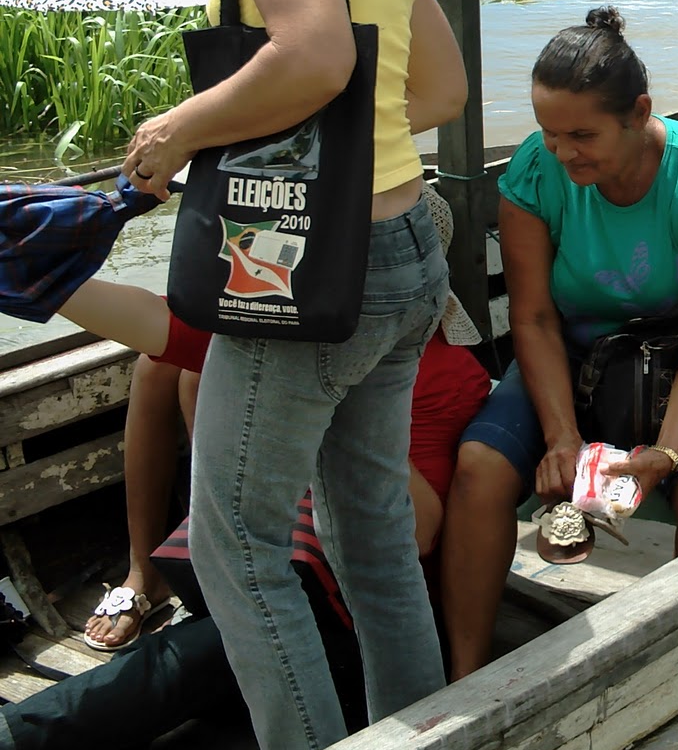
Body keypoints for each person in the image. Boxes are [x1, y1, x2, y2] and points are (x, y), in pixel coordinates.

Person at [120, 0, 468, 750]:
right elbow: (437, 86)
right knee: (371, 537)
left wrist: (183, 129)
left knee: (236, 554)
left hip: (308, 271)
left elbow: (316, 55)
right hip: (409, 247)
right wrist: (287, 127)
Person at [0, 301, 492, 750]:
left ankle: (16, 735)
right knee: (195, 659)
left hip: (354, 619)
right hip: (279, 575)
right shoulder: (284, 348)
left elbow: (419, 532)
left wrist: (350, 408)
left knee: (185, 661)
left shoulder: (442, 376)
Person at [439, 6, 678, 680]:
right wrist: (561, 438)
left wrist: (666, 453)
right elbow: (531, 319)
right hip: (579, 362)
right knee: (479, 467)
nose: (564, 153)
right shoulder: (537, 170)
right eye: (549, 134)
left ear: (639, 112)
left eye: (582, 135)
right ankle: (462, 677)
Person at [56, 185, 485, 653]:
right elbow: (159, 323)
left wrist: (329, 396)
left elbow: (415, 530)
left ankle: (208, 550)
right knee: (169, 367)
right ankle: (149, 568)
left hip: (346, 566)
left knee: (195, 372)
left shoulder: (427, 371)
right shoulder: (353, 330)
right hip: (306, 510)